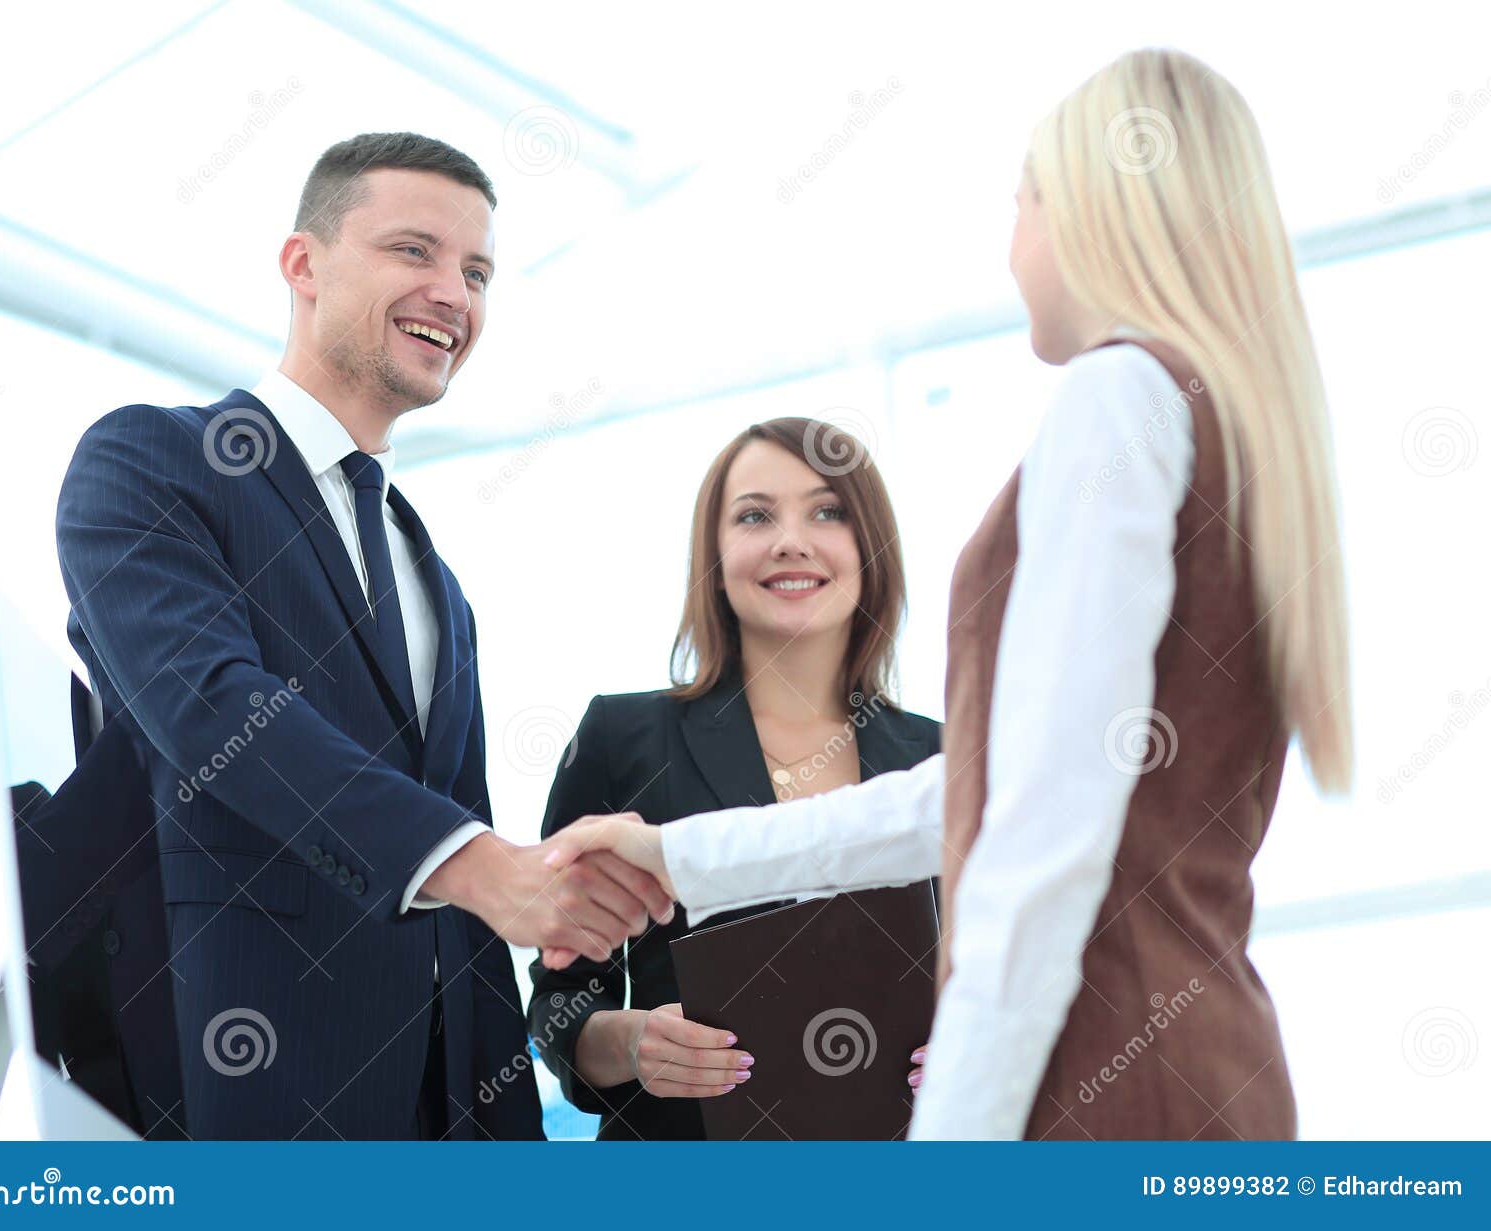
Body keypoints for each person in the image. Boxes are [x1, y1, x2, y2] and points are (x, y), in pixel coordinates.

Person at [542, 48, 1353, 1141]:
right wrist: (680, 856)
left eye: (1022, 204)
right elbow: (988, 793)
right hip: (1206, 1068)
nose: (1014, 247)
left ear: (1089, 211)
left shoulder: (1117, 395)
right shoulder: (1229, 421)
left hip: (1101, 1087)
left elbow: (1038, 846)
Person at [56, 133, 668, 1140]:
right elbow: (215, 706)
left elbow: (464, 883)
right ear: (302, 263)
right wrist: (483, 867)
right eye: (414, 250)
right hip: (246, 1087)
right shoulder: (154, 461)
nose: (454, 295)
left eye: (477, 272)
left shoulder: (432, 576)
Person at [528, 418, 941, 1138]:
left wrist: (981, 1050)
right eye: (755, 516)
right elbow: (559, 1001)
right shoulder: (622, 738)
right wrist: (630, 1042)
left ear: (871, 547)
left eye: (828, 511)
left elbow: (1019, 977)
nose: (790, 540)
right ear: (714, 558)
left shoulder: (946, 756)